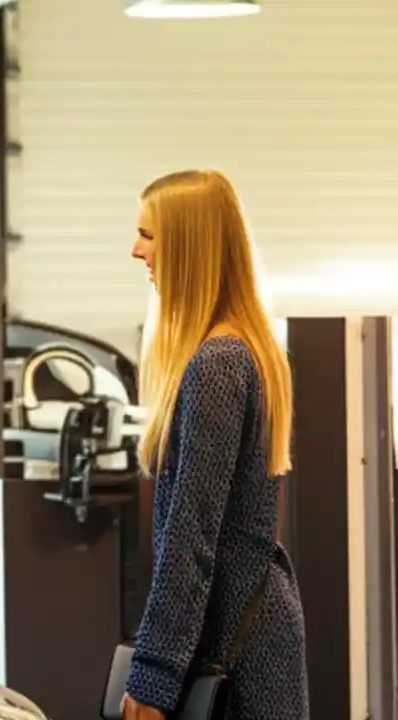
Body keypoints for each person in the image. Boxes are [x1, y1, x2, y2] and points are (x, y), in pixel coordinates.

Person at [121, 169, 309, 719]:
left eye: (149, 235)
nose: (136, 250)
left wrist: (153, 674)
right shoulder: (242, 350)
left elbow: (193, 531)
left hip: (233, 647)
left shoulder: (218, 364)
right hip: (240, 632)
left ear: (190, 246)